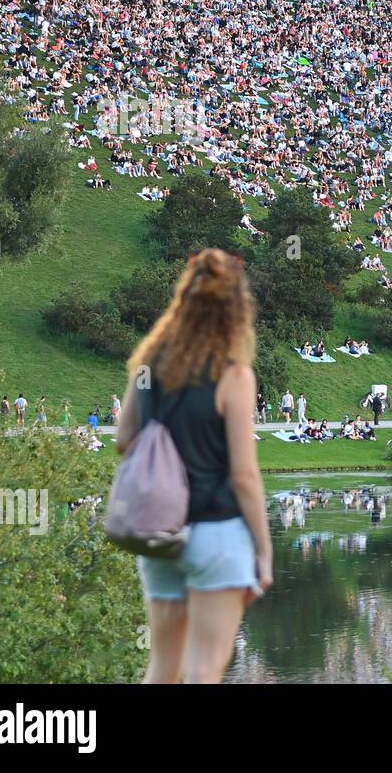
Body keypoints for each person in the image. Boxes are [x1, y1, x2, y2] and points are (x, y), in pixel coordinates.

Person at [115, 248, 273, 684]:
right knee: (205, 669)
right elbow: (244, 474)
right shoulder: (234, 376)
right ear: (237, 309)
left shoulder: (149, 363)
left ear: (182, 300)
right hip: (216, 529)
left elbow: (124, 439)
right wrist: (263, 549)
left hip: (160, 530)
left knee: (161, 668)